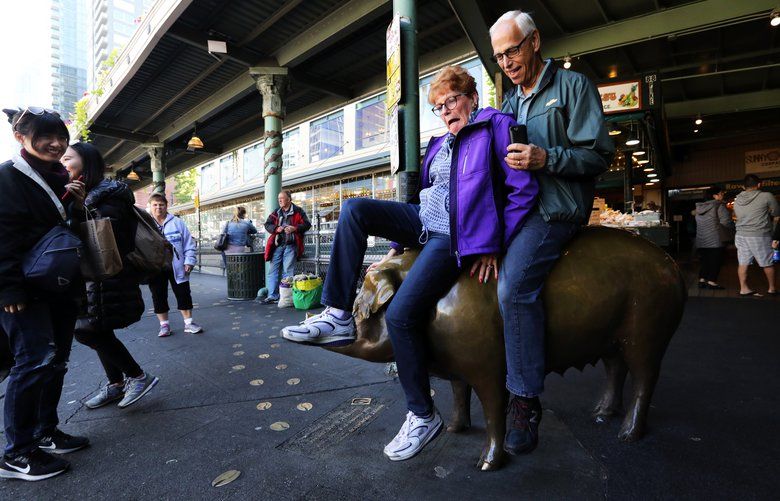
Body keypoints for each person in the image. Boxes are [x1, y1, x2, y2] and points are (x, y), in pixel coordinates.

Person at [281, 65, 538, 461]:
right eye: (438, 106)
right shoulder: (438, 143)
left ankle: (422, 415)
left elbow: (521, 191)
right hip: (423, 223)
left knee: (401, 315)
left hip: (456, 235)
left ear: (471, 97)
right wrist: (397, 246)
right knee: (354, 209)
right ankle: (336, 313)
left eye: (452, 100)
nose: (447, 110)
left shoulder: (495, 126)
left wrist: (495, 243)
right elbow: (425, 199)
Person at [490, 10, 614, 456]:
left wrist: (547, 159)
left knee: (513, 288)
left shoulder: (573, 86)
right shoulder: (507, 104)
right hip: (517, 211)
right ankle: (494, 377)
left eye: (513, 49)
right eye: (499, 55)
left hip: (555, 210)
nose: (506, 61)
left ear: (535, 41)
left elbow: (599, 155)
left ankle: (525, 400)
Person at [0, 107, 89, 481]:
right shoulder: (8, 176)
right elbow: (3, 232)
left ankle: (45, 431)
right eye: (45, 136)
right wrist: (7, 286)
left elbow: (60, 233)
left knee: (55, 360)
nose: (56, 143)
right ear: (22, 137)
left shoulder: (57, 179)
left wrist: (74, 203)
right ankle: (17, 453)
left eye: (61, 136)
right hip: (23, 288)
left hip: (57, 286)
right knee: (33, 360)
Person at [61, 142, 159, 409]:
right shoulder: (81, 192)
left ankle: (138, 376)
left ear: (87, 163)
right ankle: (116, 384)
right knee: (96, 329)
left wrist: (80, 207)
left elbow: (110, 237)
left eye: (67, 158)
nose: (62, 163)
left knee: (89, 331)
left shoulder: (109, 194)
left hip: (107, 274)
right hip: (89, 275)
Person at [147, 193, 202, 336]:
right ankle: (164, 326)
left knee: (183, 294)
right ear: (150, 206)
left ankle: (189, 323)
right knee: (158, 295)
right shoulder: (146, 223)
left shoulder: (177, 222)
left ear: (166, 206)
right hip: (155, 267)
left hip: (177, 265)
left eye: (161, 205)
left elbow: (189, 244)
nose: (158, 207)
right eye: (155, 205)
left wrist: (189, 261)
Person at [733, 174, 780, 296]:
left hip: (740, 234)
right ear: (759, 184)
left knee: (743, 262)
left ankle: (743, 288)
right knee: (767, 262)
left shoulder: (737, 199)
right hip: (759, 234)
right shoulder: (766, 195)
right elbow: (776, 212)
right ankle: (772, 288)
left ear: (744, 187)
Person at [261, 191, 311, 304]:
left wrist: (295, 228)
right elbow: (267, 224)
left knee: (287, 271)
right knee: (272, 270)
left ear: (289, 199)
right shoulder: (276, 212)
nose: (280, 200)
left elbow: (307, 224)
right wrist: (275, 228)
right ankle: (273, 295)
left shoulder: (298, 211)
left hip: (291, 245)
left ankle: (286, 298)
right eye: (279, 198)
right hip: (278, 245)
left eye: (282, 198)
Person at [694, 186, 733, 290]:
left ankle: (702, 280)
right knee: (716, 261)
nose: (722, 195)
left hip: (701, 239)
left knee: (705, 261)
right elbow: (726, 222)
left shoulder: (699, 208)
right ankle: (711, 282)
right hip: (716, 239)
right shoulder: (719, 206)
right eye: (721, 193)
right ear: (714, 196)